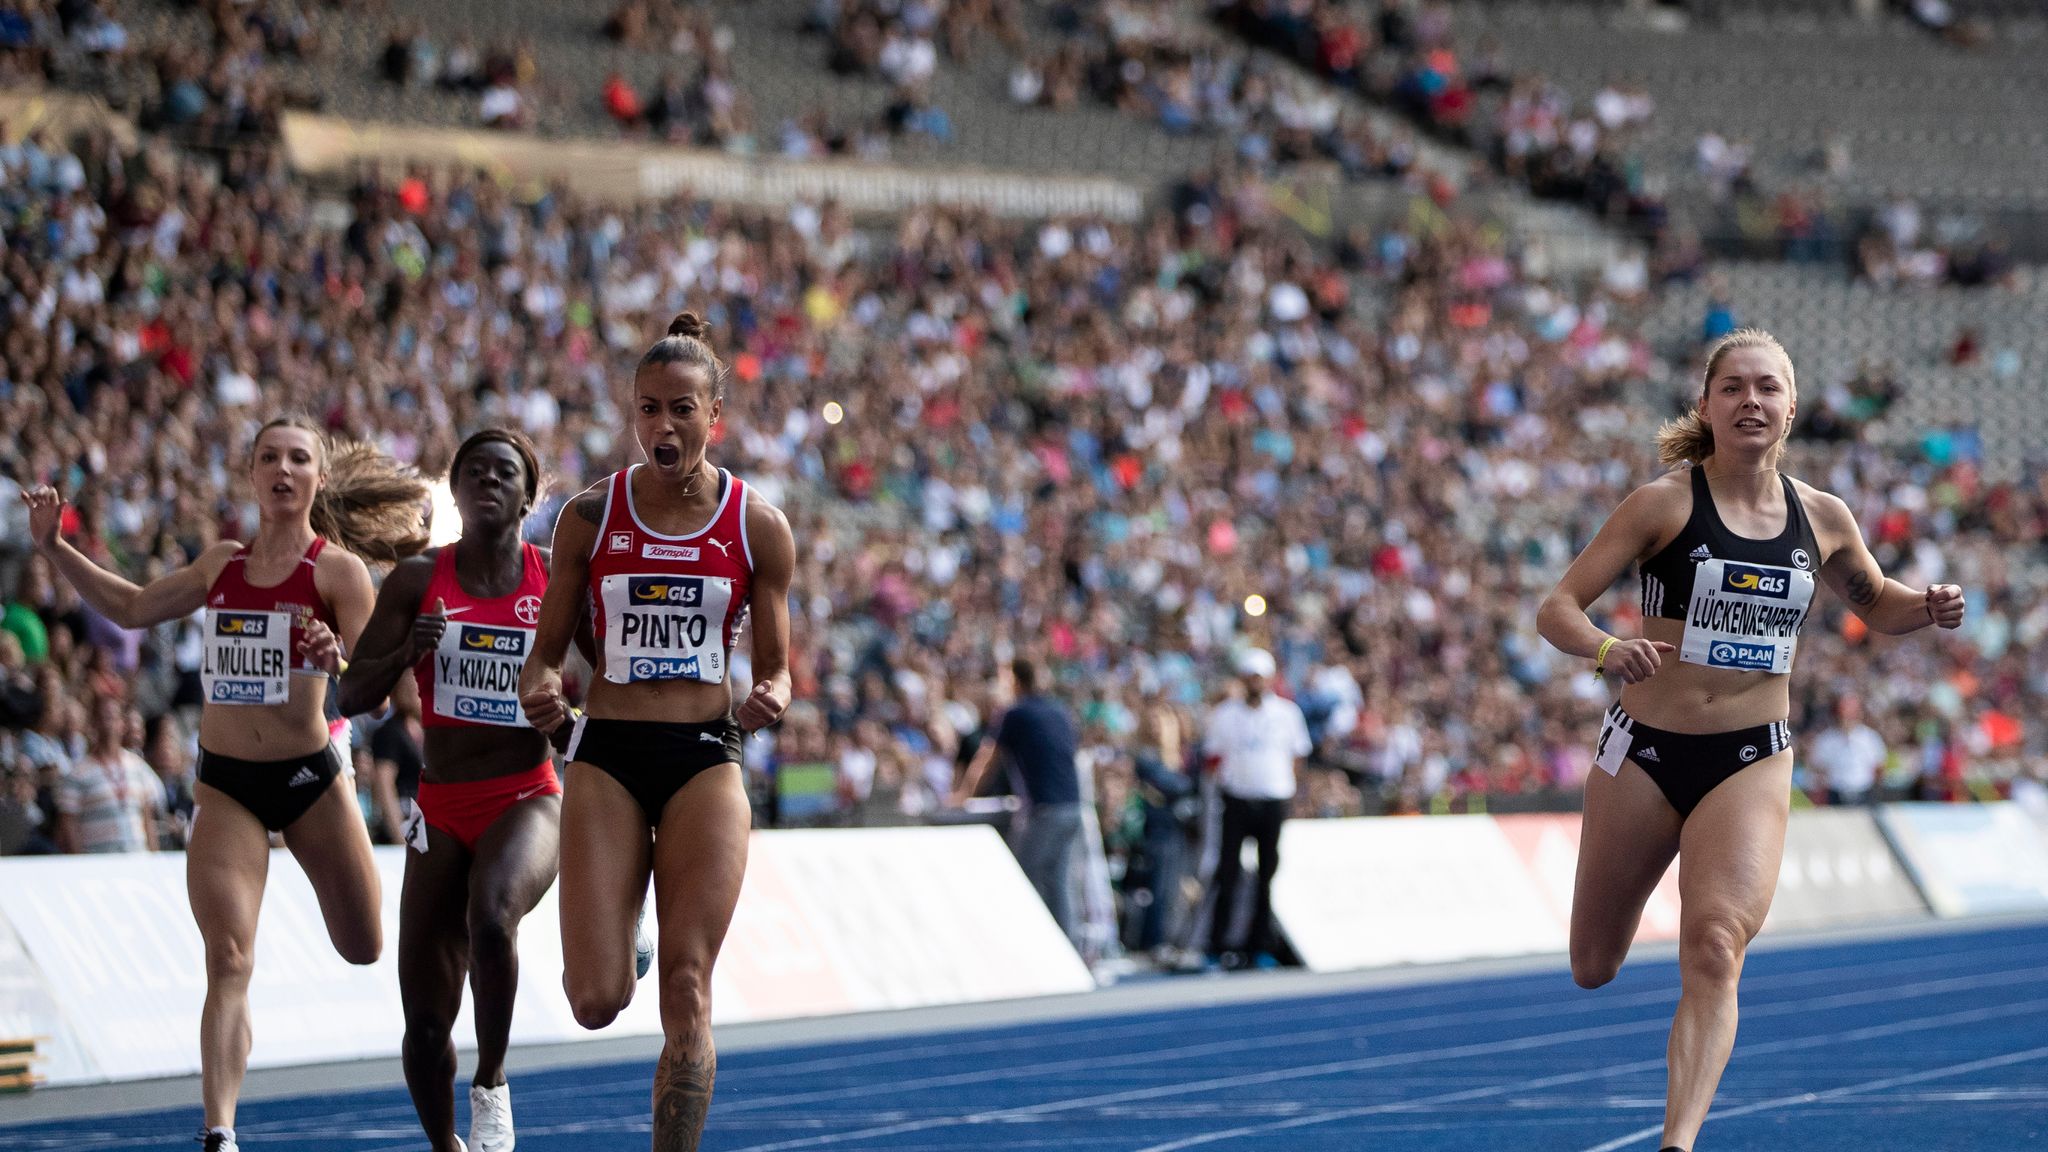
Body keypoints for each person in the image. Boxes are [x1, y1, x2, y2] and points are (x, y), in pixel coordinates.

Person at [1536, 328, 1965, 1152]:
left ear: (1792, 409)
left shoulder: (1824, 518)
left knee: (1716, 942)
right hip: (1646, 751)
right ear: (1706, 405)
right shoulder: (1663, 504)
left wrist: (1931, 604)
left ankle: (1677, 1143)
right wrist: (1603, 648)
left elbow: (1878, 603)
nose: (1750, 402)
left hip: (1750, 756)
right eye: (1732, 388)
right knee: (1593, 962)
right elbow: (1557, 605)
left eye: (1766, 388)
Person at [22, 415, 429, 1152]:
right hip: (228, 784)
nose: (283, 468)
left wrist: (335, 655)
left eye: (298, 458)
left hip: (310, 777)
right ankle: (220, 1131)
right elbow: (134, 606)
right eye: (268, 457)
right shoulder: (221, 566)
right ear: (250, 474)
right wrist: (54, 549)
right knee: (229, 958)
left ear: (318, 479)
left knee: (365, 944)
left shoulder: (336, 572)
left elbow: (380, 679)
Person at [518, 313, 793, 1152]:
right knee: (595, 1001)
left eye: (681, 409)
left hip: (704, 755)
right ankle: (625, 928)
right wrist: (540, 690)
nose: (661, 427)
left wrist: (771, 695)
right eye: (647, 409)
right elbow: (546, 656)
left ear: (716, 418)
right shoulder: (590, 516)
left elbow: (780, 666)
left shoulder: (758, 526)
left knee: (689, 986)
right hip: (608, 753)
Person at [338, 429, 567, 1152]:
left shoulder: (555, 578)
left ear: (528, 496)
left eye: (505, 473)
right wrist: (411, 650)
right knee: (426, 1025)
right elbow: (349, 691)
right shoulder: (416, 580)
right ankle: (445, 1146)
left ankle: (492, 1082)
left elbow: (607, 674)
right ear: (455, 490)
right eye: (475, 472)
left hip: (526, 795)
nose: (489, 482)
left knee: (492, 918)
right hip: (438, 806)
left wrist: (566, 702)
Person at [952, 658, 1085, 948]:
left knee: (1021, 878)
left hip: (1047, 809)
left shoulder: (1016, 714)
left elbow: (988, 760)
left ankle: (1024, 948)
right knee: (1057, 881)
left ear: (1014, 680)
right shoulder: (1058, 710)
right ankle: (1068, 948)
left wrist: (963, 796)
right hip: (1073, 806)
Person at [1199, 647, 1311, 969]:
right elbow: (1212, 757)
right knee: (1228, 873)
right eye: (1250, 677)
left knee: (1267, 875)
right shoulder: (1226, 715)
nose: (1255, 683)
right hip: (1237, 798)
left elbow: (1297, 757)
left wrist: (1295, 795)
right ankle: (1218, 945)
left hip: (1273, 799)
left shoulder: (1287, 714)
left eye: (1259, 678)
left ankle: (1259, 945)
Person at [1806, 693, 1886, 805]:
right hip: (1835, 793)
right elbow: (1817, 768)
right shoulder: (1826, 739)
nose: (1847, 720)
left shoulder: (1870, 738)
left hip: (1863, 792)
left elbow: (1879, 768)